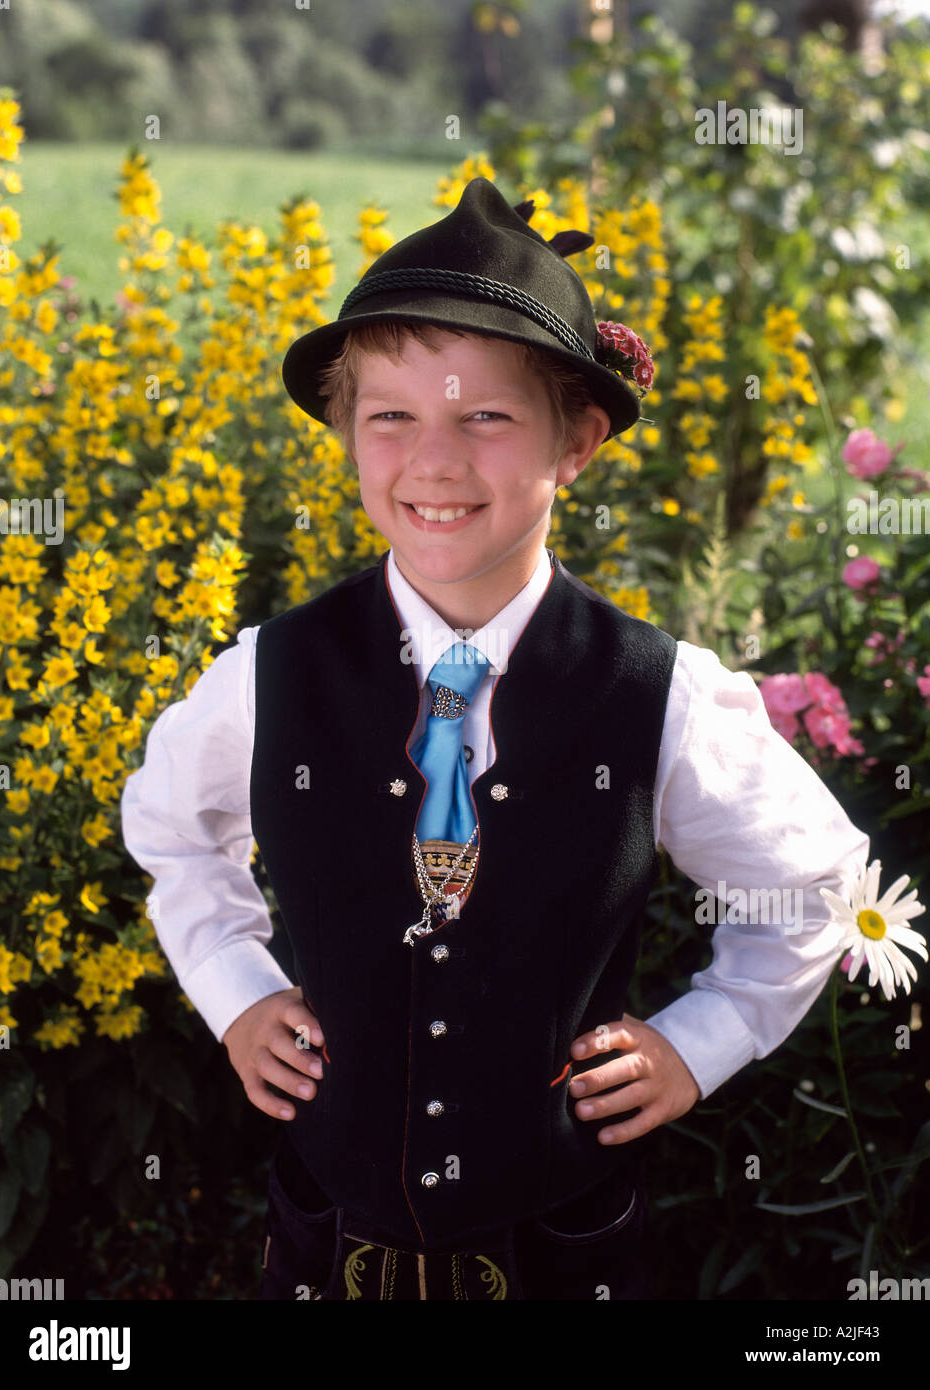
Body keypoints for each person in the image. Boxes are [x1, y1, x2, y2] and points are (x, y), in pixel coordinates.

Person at [121, 178, 869, 1301]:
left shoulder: (652, 695)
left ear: (578, 440)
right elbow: (173, 833)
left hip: (564, 1259)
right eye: (392, 417)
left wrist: (701, 1042)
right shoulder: (272, 677)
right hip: (325, 1255)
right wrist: (235, 986)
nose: (435, 460)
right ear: (345, 431)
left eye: (485, 417)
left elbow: (811, 881)